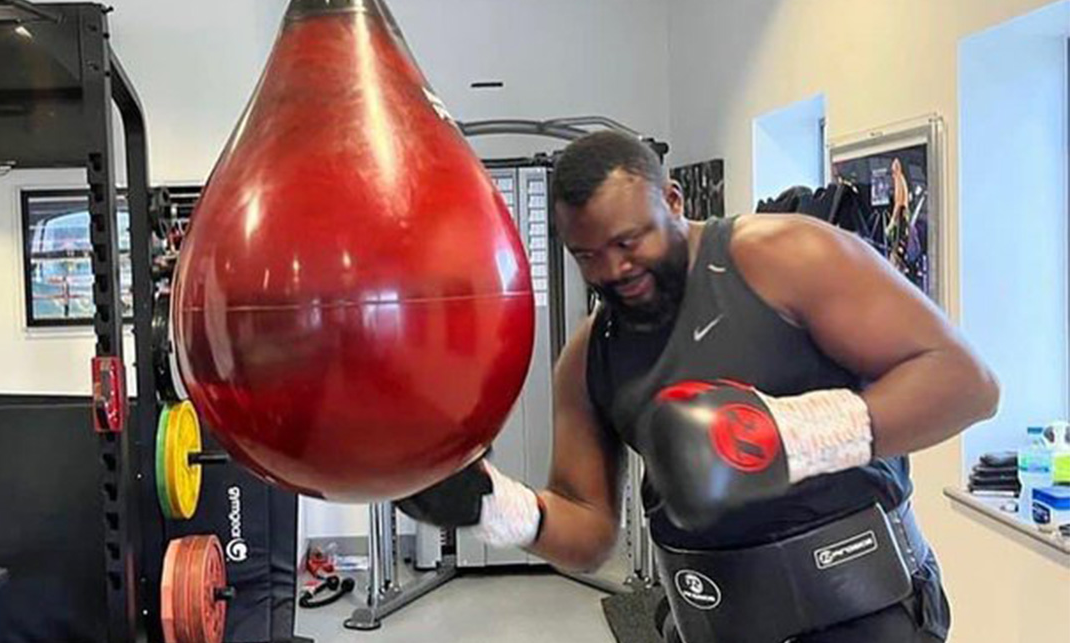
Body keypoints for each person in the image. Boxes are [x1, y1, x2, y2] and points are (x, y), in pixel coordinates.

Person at [397, 130, 999, 643]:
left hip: (865, 614)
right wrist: (493, 507)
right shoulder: (589, 357)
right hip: (709, 623)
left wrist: (783, 437)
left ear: (674, 201)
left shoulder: (783, 256)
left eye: (629, 242)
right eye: (588, 255)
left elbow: (966, 382)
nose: (613, 270)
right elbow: (589, 531)